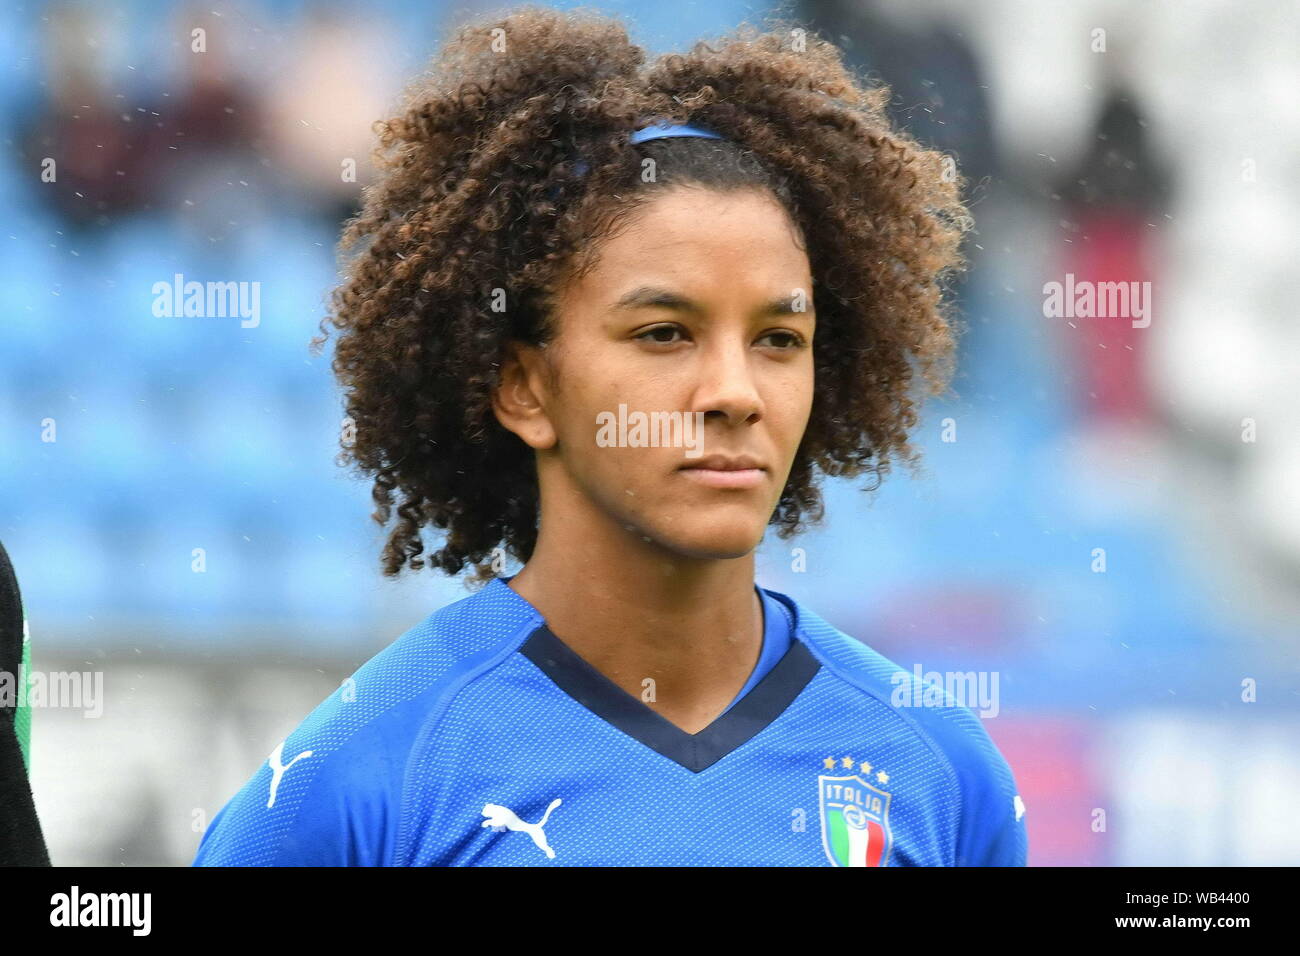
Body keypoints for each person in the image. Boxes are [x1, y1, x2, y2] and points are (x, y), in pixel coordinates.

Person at [194, 6, 1026, 866]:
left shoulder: (941, 772)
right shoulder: (360, 779)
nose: (736, 393)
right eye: (664, 332)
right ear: (523, 386)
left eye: (779, 340)